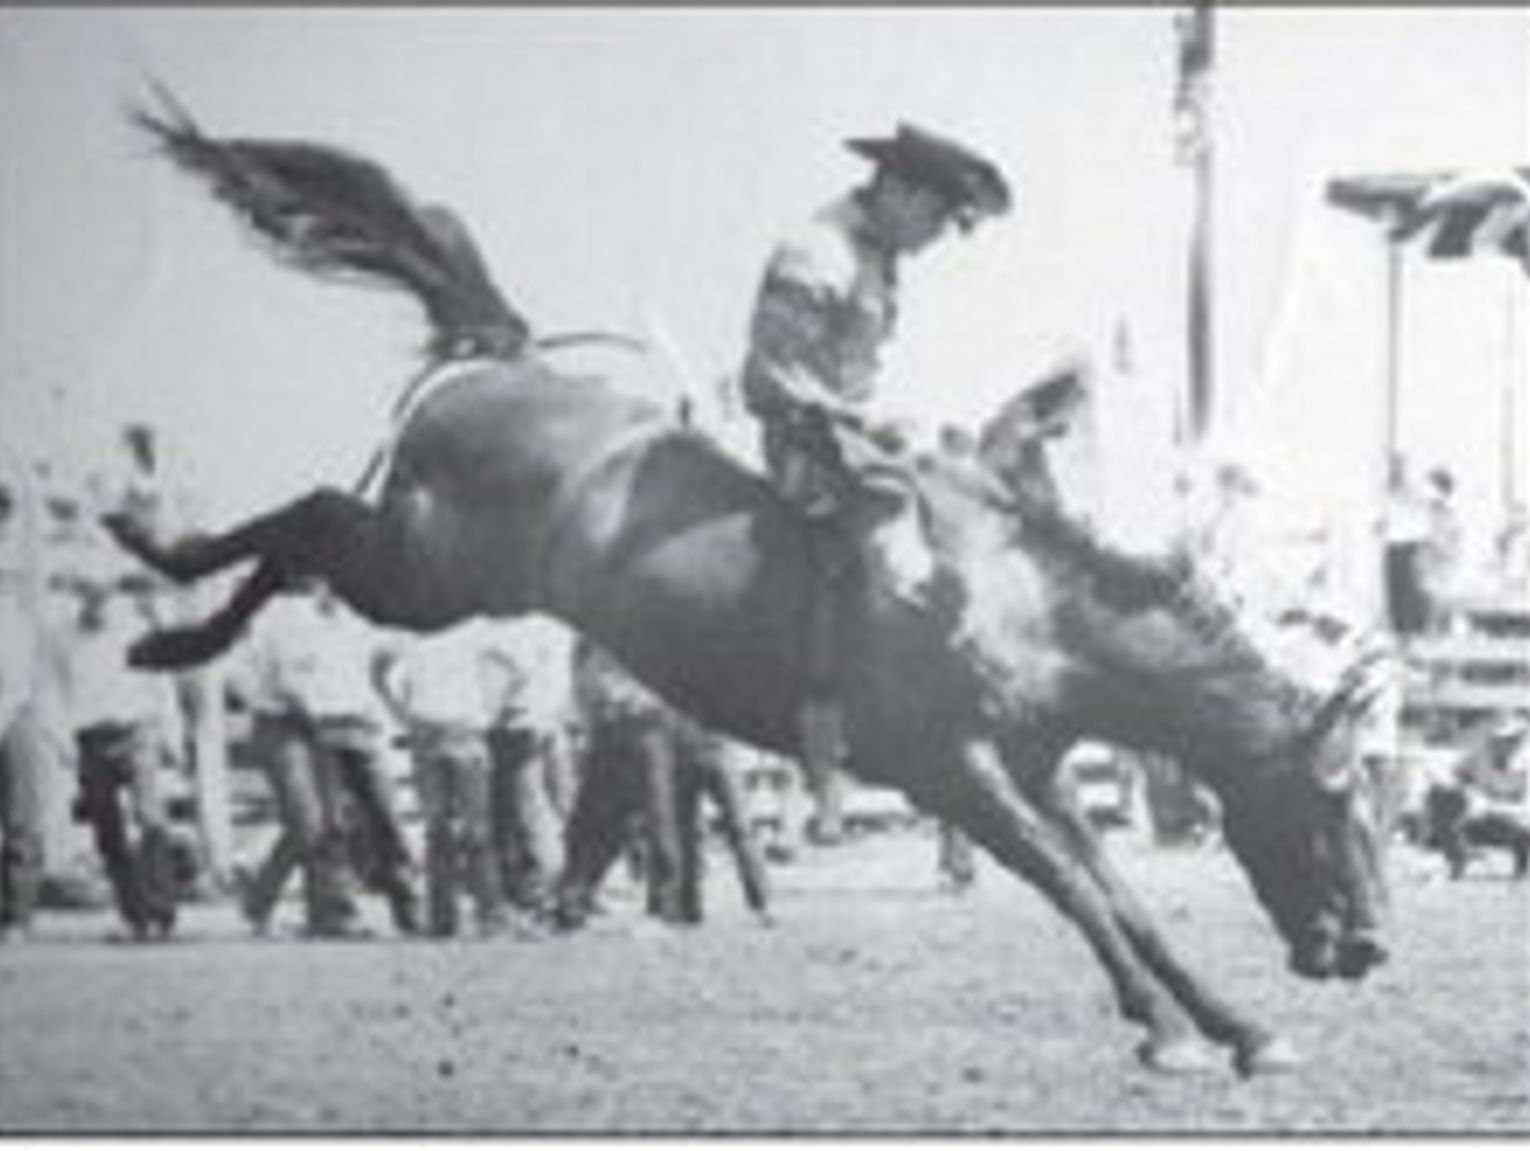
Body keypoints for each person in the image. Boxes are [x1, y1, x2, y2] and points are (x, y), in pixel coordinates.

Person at [739, 122, 1011, 845]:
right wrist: (863, 426)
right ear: (898, 190)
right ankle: (838, 723)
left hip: (849, 436)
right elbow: (771, 375)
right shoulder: (819, 252)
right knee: (893, 560)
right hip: (810, 444)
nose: (936, 238)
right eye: (935, 218)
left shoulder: (877, 256)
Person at [236, 584, 419, 937]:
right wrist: (315, 716)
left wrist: (391, 701)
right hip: (295, 722)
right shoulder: (285, 617)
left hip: (351, 724)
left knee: (379, 817)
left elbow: (389, 655)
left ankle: (260, 897)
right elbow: (284, 682)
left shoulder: (366, 616)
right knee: (315, 822)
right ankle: (334, 912)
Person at [65, 572, 185, 941]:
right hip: (89, 737)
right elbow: (52, 691)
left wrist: (172, 737)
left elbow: (161, 683)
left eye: (101, 594)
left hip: (137, 730)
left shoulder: (134, 631)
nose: (95, 602)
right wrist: (62, 744)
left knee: (151, 818)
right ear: (76, 595)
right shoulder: (61, 638)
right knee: (108, 830)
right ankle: (135, 915)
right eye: (87, 593)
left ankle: (162, 909)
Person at [371, 621, 509, 939]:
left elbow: (510, 667)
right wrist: (399, 712)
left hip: (467, 732)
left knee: (478, 831)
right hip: (427, 734)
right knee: (437, 829)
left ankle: (491, 915)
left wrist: (491, 710)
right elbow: (379, 664)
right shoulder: (412, 629)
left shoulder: (475, 627)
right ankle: (442, 919)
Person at [482, 615, 575, 920]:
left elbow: (521, 674)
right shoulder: (543, 628)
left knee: (527, 807)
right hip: (529, 722)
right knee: (520, 809)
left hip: (520, 723)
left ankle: (539, 887)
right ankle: (529, 886)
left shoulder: (519, 630)